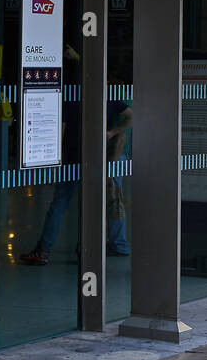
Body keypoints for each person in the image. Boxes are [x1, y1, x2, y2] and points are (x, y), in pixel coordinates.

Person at [20, 92, 133, 265]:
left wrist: (54, 158)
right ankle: (114, 245)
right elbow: (131, 117)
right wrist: (111, 132)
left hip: (74, 158)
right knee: (111, 200)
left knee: (59, 204)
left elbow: (61, 131)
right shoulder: (107, 96)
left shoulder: (71, 97)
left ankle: (43, 250)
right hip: (103, 158)